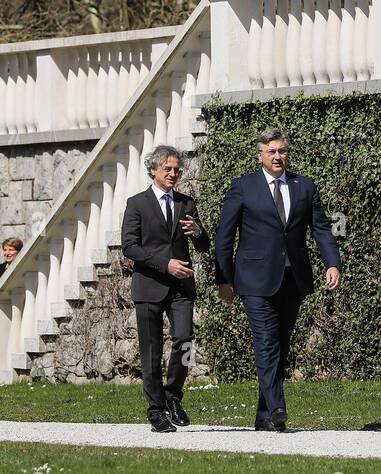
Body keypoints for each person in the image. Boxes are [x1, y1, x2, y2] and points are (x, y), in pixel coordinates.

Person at [214, 129, 342, 432]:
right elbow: (224, 235)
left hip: (292, 279)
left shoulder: (304, 186)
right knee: (266, 342)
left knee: (281, 347)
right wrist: (224, 279)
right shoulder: (243, 187)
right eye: (271, 151)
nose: (277, 157)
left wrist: (332, 263)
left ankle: (263, 416)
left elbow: (321, 229)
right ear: (260, 155)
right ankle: (278, 408)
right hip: (255, 280)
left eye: (282, 151)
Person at [121, 144, 211, 433]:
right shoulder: (137, 204)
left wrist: (199, 234)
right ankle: (156, 409)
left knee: (184, 341)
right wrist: (166, 263)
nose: (173, 174)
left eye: (177, 170)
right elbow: (130, 247)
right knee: (151, 350)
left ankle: (173, 395)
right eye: (168, 169)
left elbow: (203, 245)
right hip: (149, 286)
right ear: (153, 170)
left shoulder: (187, 203)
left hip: (181, 286)